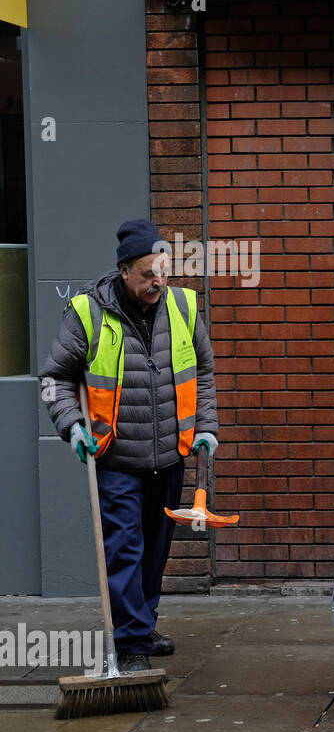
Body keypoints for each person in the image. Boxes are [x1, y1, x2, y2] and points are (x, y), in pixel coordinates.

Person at [40, 219, 219, 672]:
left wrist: (206, 426)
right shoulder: (87, 313)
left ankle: (141, 624)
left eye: (163, 269)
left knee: (156, 550)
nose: (158, 280)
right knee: (125, 548)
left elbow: (204, 372)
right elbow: (54, 378)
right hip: (115, 455)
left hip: (170, 455)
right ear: (123, 271)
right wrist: (72, 426)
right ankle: (131, 642)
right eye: (147, 272)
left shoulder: (182, 306)